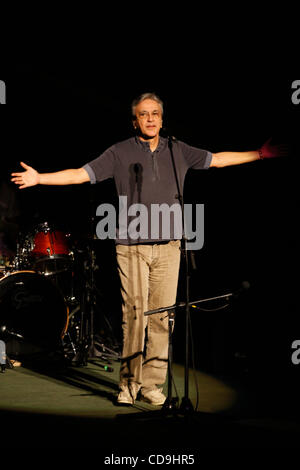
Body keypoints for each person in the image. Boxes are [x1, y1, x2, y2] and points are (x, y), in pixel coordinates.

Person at [11, 92, 287, 406]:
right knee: (134, 316)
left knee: (162, 317)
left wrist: (259, 154)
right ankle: (129, 386)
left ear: (162, 118)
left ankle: (152, 384)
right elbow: (80, 174)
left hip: (169, 248)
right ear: (135, 121)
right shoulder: (119, 152)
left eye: (155, 113)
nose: (151, 119)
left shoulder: (177, 150)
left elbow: (218, 159)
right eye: (144, 114)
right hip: (131, 248)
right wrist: (39, 178)